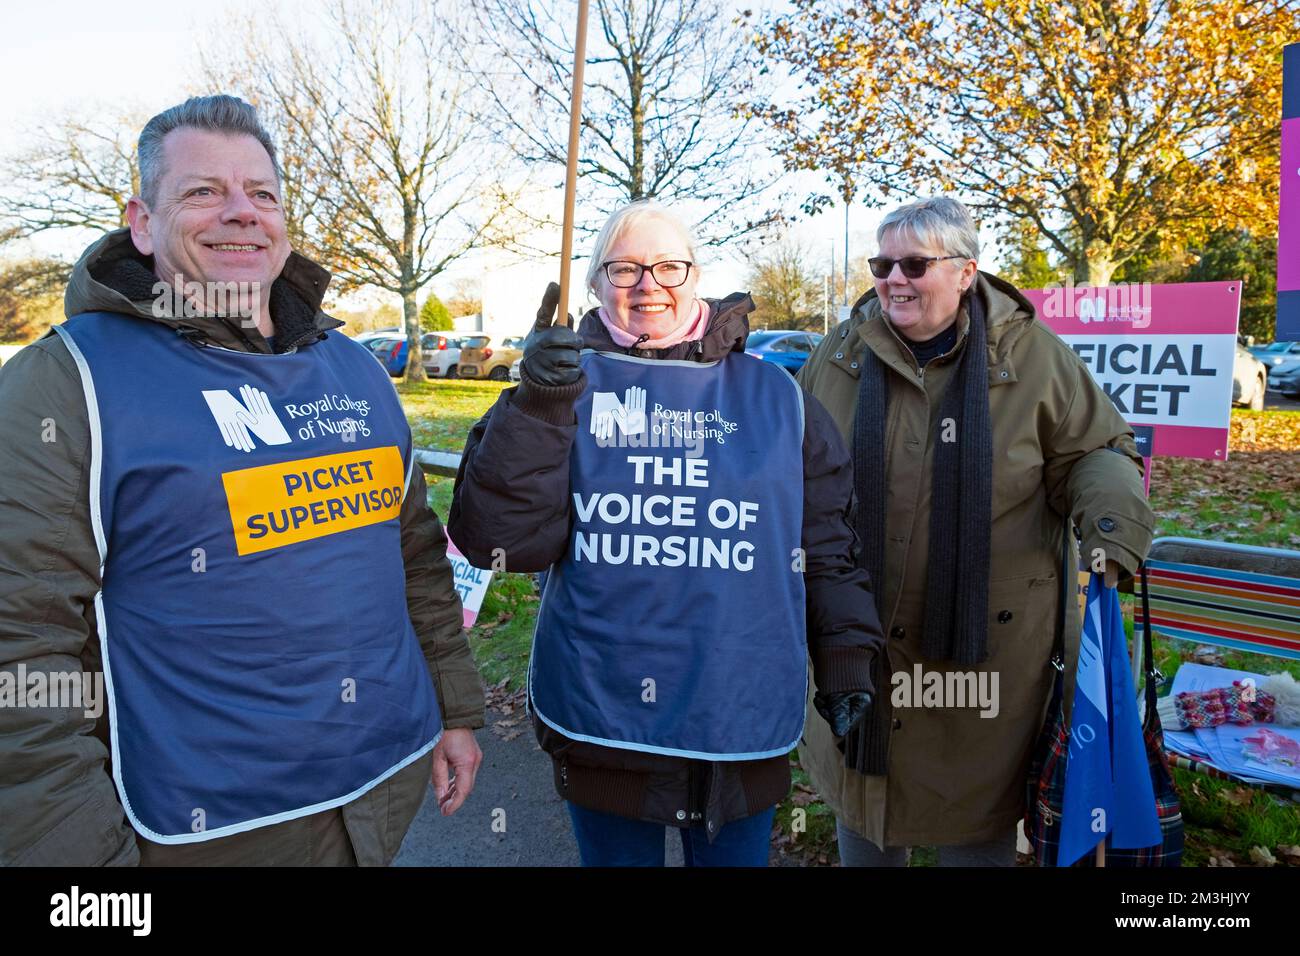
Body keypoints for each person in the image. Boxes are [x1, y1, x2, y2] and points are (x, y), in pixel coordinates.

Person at [0, 95, 484, 866]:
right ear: (142, 222)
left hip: (379, 795)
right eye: (202, 192)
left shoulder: (357, 370)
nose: (241, 213)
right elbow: (19, 656)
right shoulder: (65, 386)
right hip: (204, 832)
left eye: (261, 194)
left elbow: (415, 560)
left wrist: (454, 709)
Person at [448, 200, 883, 867]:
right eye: (623, 269)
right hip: (603, 719)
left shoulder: (778, 396)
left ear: (696, 274)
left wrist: (847, 658)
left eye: (667, 266)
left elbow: (825, 545)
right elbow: (501, 541)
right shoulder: (561, 388)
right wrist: (536, 405)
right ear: (593, 285)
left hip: (740, 713)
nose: (648, 285)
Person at [796, 196, 1155, 866]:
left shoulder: (1033, 356)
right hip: (855, 637)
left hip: (988, 654)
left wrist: (1109, 528)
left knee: (977, 818)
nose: (893, 278)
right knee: (866, 807)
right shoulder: (841, 352)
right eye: (882, 263)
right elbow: (795, 457)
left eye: (913, 263)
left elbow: (1097, 452)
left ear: (965, 272)